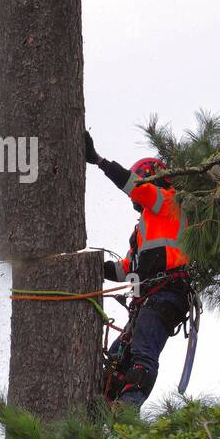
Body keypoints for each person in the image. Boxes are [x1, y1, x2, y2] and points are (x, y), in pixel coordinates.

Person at [84, 130, 192, 407]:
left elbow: (133, 186)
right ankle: (105, 407)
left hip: (167, 293)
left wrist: (99, 161)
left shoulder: (167, 202)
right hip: (149, 300)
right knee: (116, 355)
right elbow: (125, 270)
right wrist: (93, 268)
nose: (135, 200)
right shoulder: (143, 232)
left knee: (143, 352)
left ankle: (129, 407)